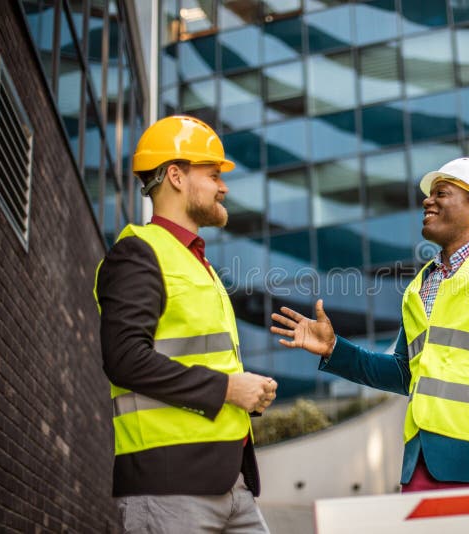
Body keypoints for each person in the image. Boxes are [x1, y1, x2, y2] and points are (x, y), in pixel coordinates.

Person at [271, 157, 469, 492]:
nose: (427, 201)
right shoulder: (420, 285)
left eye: (441, 193)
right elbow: (405, 374)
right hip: (421, 465)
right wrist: (334, 349)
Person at [94, 115, 276, 532]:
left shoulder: (200, 264)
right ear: (176, 176)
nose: (223, 186)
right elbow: (124, 359)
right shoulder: (137, 253)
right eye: (213, 174)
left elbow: (198, 355)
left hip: (232, 482)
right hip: (168, 487)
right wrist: (230, 389)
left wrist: (247, 389)